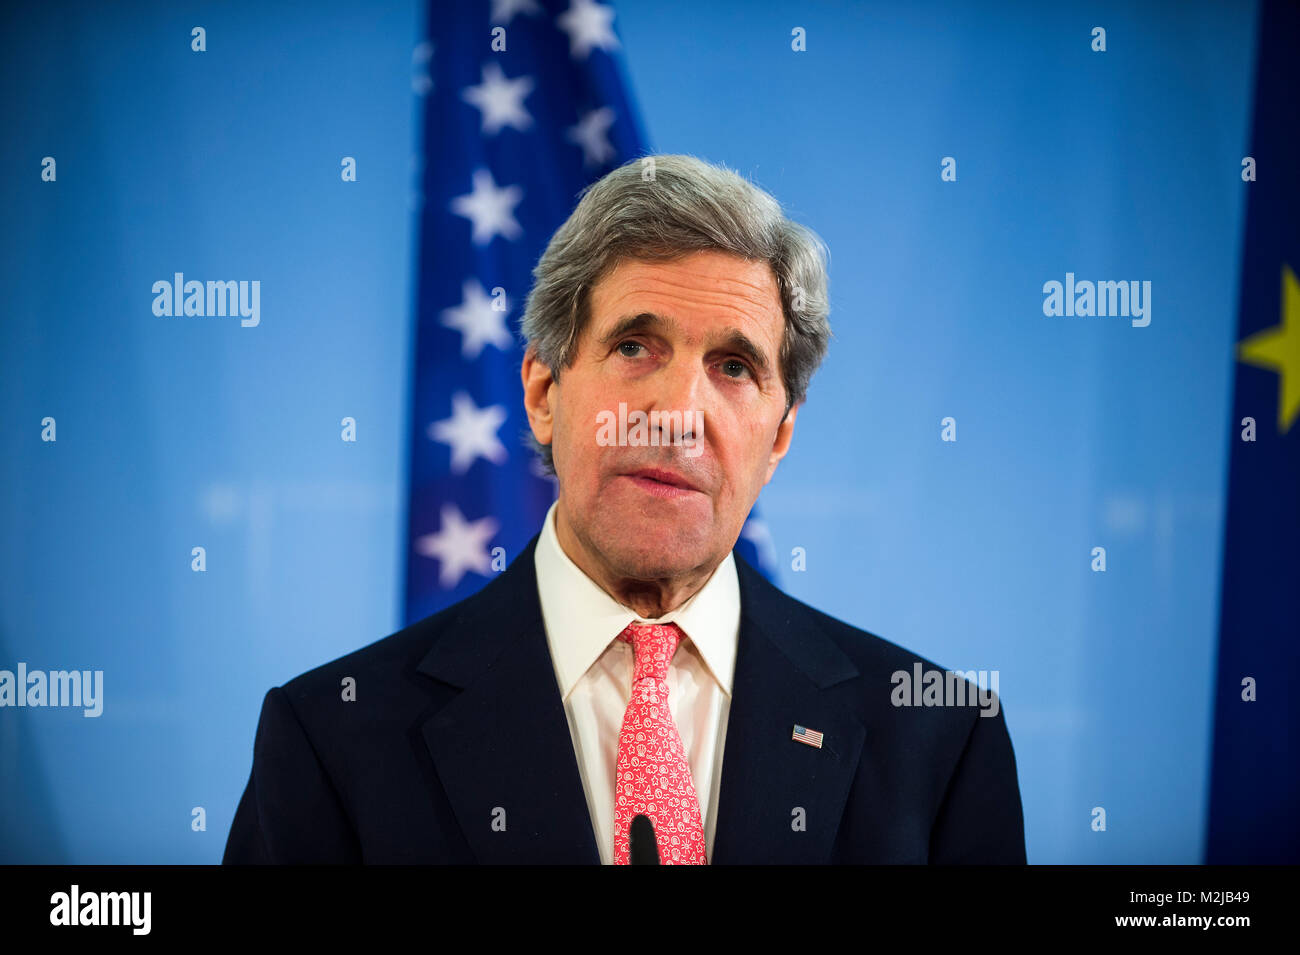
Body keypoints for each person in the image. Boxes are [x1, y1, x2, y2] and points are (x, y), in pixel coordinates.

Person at [223, 154, 1026, 864]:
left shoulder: (940, 742)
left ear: (779, 436)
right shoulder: (333, 740)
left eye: (735, 366)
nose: (679, 410)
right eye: (635, 347)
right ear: (543, 393)